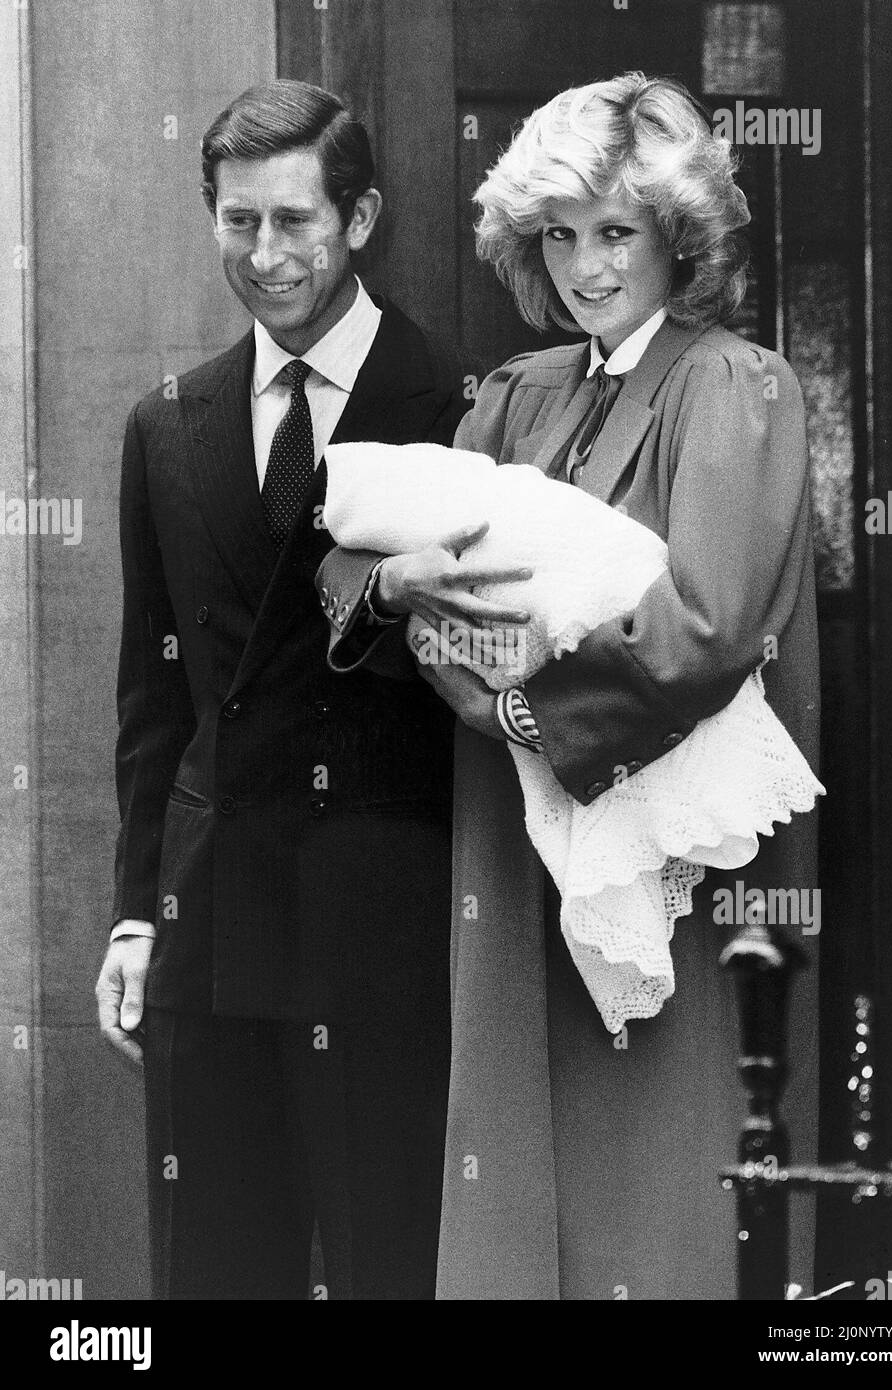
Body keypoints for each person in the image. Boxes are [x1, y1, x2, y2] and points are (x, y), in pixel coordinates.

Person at [320, 71, 821, 1299]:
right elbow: (374, 559)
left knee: (651, 1143)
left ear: (678, 236)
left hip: (654, 830)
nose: (587, 268)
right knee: (512, 1148)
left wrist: (522, 711)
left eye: (615, 233)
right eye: (559, 236)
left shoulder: (734, 385)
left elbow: (703, 626)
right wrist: (396, 598)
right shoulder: (519, 393)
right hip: (510, 830)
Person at [94, 78, 523, 1301]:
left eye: (296, 222)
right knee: (214, 1279)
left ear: (364, 216)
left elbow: (485, 672)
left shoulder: (467, 407)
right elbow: (153, 705)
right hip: (207, 931)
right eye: (239, 222)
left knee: (394, 1271)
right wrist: (137, 915)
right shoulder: (166, 424)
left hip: (385, 937)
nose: (266, 255)